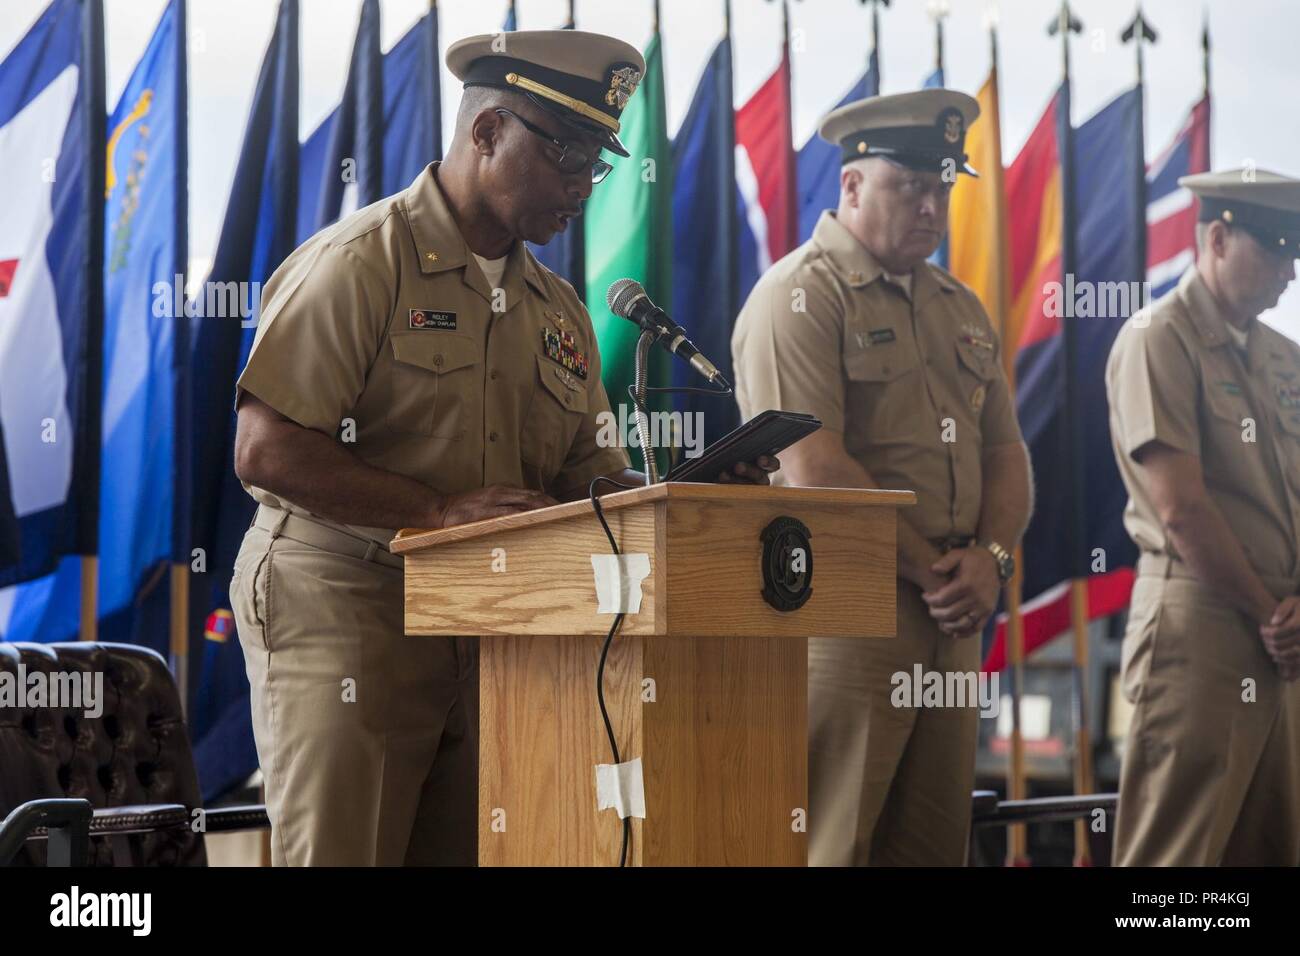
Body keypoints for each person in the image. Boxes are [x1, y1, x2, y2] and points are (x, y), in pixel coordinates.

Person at [229, 29, 774, 866]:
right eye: (568, 156)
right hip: (349, 607)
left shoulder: (559, 311)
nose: (583, 188)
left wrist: (692, 495)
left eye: (598, 165)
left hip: (495, 626)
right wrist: (436, 513)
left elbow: (587, 482)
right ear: (486, 133)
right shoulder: (357, 264)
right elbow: (265, 450)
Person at [731, 89, 1032, 866]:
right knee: (832, 839)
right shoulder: (799, 296)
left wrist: (990, 561)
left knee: (932, 845)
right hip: (846, 611)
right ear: (854, 185)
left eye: (944, 188)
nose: (934, 207)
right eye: (913, 187)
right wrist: (945, 571)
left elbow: (1006, 454)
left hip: (954, 613)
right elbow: (813, 468)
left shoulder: (959, 305)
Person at [1106, 168, 1300, 866]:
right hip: (1204, 620)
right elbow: (1181, 508)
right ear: (1217, 238)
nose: (1289, 271)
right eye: (1276, 247)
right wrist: (1271, 615)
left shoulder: (1284, 358)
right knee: (1178, 860)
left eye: (1296, 252)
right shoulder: (1160, 336)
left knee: (1268, 849)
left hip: (1282, 633)